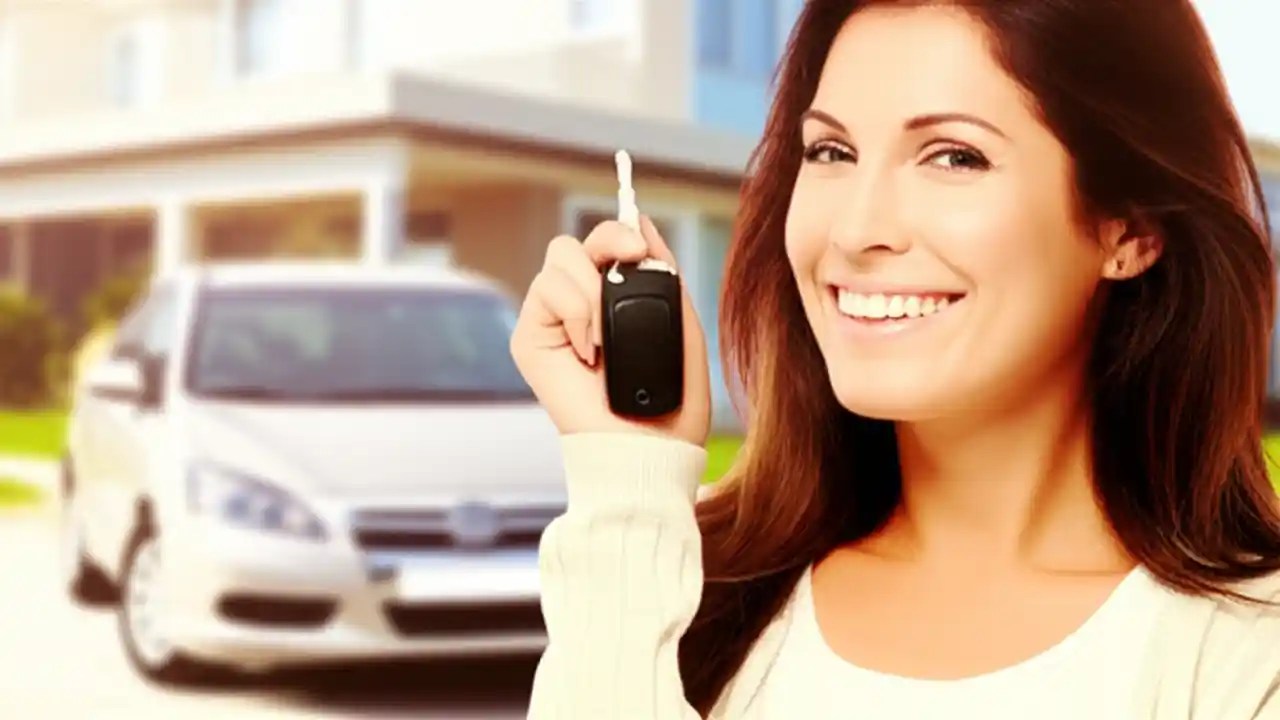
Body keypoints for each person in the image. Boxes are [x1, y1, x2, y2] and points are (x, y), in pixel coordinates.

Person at [509, 1, 1280, 718]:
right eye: (831, 150)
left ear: (1131, 229)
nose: (855, 230)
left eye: (954, 157)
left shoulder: (1245, 652)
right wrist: (631, 473)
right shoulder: (682, 579)